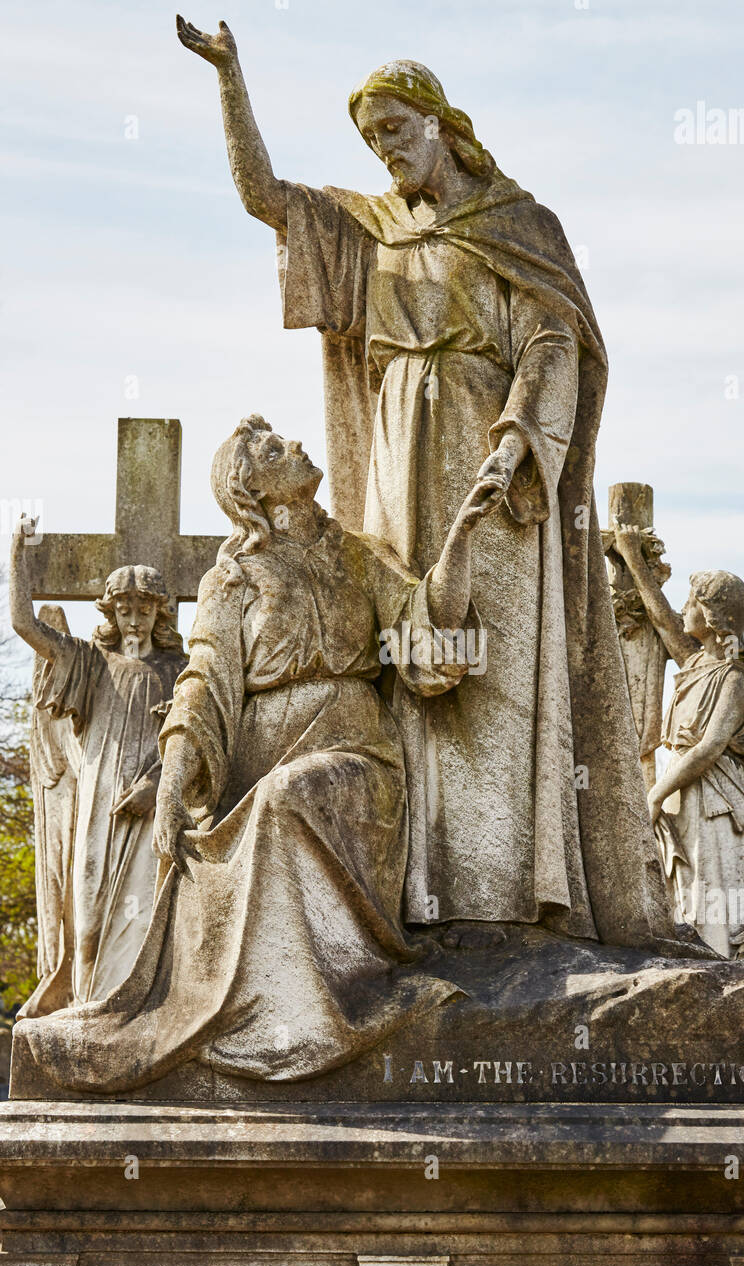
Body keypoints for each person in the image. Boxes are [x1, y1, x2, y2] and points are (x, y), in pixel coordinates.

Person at [172, 22, 671, 950]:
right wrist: (231, 80)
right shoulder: (372, 228)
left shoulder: (519, 225)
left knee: (489, 668)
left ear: (443, 122)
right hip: (400, 461)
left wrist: (522, 439)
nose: (385, 149)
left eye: (397, 128)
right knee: (414, 661)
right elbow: (264, 198)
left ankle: (505, 899)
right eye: (371, 138)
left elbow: (555, 341)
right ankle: (419, 901)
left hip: (497, 471)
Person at [12, 418, 496, 1093]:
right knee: (251, 816)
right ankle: (252, 1020)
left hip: (355, 759)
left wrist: (461, 542)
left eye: (286, 441)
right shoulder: (234, 575)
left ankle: (305, 1023)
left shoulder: (359, 555)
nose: (296, 446)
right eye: (273, 450)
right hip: (255, 769)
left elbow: (425, 633)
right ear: (251, 489)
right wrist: (175, 784)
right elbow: (203, 682)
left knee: (285, 800)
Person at [9, 523, 186, 1010]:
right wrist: (17, 553)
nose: (134, 619)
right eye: (125, 609)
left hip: (151, 813)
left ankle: (137, 1024)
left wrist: (157, 781)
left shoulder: (181, 671)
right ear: (111, 612)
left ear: (160, 613)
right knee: (86, 928)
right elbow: (25, 626)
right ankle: (87, 1019)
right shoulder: (90, 662)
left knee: (147, 923)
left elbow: (198, 741)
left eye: (145, 609)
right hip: (98, 810)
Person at [613, 522, 744, 957]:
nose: (683, 608)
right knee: (682, 890)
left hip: (713, 803)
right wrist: (633, 559)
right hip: (684, 793)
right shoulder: (697, 664)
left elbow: (709, 747)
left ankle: (717, 974)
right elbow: (661, 619)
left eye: (691, 602)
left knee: (709, 894)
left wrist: (656, 792)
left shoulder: (734, 679)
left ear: (713, 616)